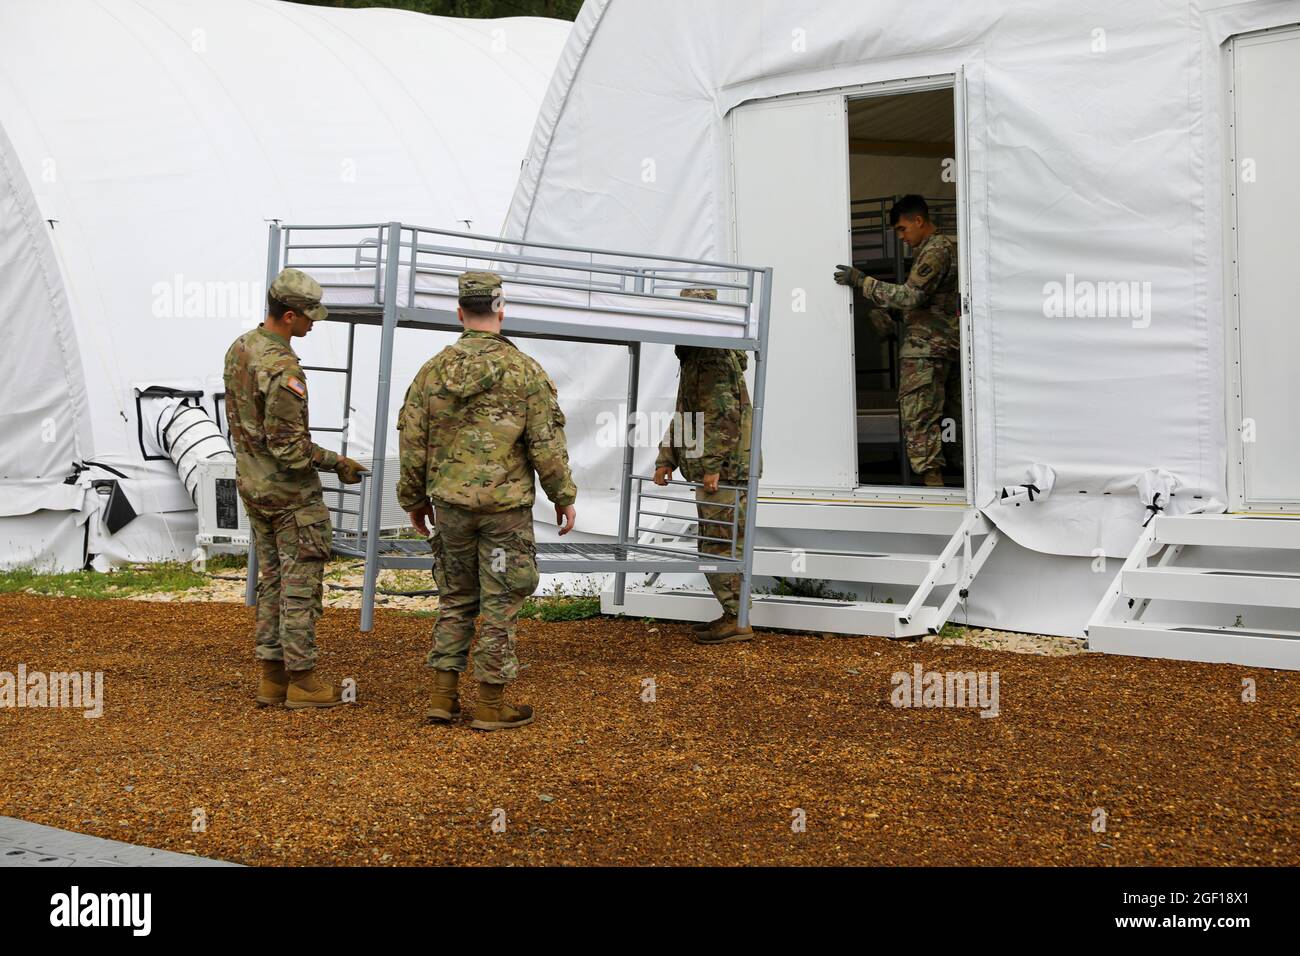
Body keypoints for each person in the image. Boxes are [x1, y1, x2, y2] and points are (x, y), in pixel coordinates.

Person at [397, 271, 577, 731]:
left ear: (459, 312)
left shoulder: (431, 371)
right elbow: (545, 444)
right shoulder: (525, 371)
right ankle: (492, 705)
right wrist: (562, 496)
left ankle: (442, 698)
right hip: (503, 513)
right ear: (501, 308)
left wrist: (413, 500)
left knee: (455, 599)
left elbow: (412, 442)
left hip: (452, 509)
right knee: (500, 600)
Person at [223, 268, 367, 710]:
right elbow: (288, 448)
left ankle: (272, 678)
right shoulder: (283, 368)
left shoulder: (240, 348)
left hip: (253, 486)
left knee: (273, 582)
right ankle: (303, 682)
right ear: (288, 316)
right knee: (300, 587)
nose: (313, 324)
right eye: (308, 317)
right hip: (289, 496)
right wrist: (338, 463)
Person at [654, 288, 759, 645]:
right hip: (718, 465)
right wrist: (666, 458)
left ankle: (736, 618)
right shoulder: (698, 353)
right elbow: (688, 414)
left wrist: (712, 465)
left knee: (721, 543)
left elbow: (722, 415)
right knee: (719, 541)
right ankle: (734, 613)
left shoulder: (711, 355)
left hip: (725, 469)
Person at [834, 194, 962, 486]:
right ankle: (940, 479)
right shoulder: (937, 249)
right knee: (936, 416)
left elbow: (910, 296)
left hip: (926, 350)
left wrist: (862, 281)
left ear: (919, 221)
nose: (902, 237)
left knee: (919, 417)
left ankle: (933, 485)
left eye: (903, 229)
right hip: (937, 346)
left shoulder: (936, 250)